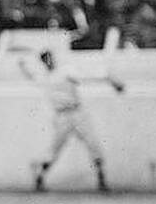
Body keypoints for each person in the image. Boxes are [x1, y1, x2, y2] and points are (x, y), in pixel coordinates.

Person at [20, 49, 123, 192]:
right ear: (43, 62)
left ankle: (102, 180)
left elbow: (87, 76)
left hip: (77, 112)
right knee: (54, 149)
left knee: (93, 144)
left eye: (50, 58)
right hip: (62, 117)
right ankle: (39, 178)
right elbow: (31, 76)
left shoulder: (65, 71)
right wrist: (22, 65)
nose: (49, 61)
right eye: (45, 59)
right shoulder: (44, 77)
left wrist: (110, 80)